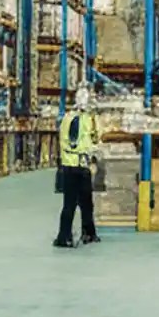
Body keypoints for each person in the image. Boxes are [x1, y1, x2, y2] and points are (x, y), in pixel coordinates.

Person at [54, 85, 100, 248]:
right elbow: (89, 140)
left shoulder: (66, 118)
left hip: (70, 165)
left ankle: (69, 235)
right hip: (79, 166)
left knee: (74, 203)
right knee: (81, 203)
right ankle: (84, 234)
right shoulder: (84, 119)